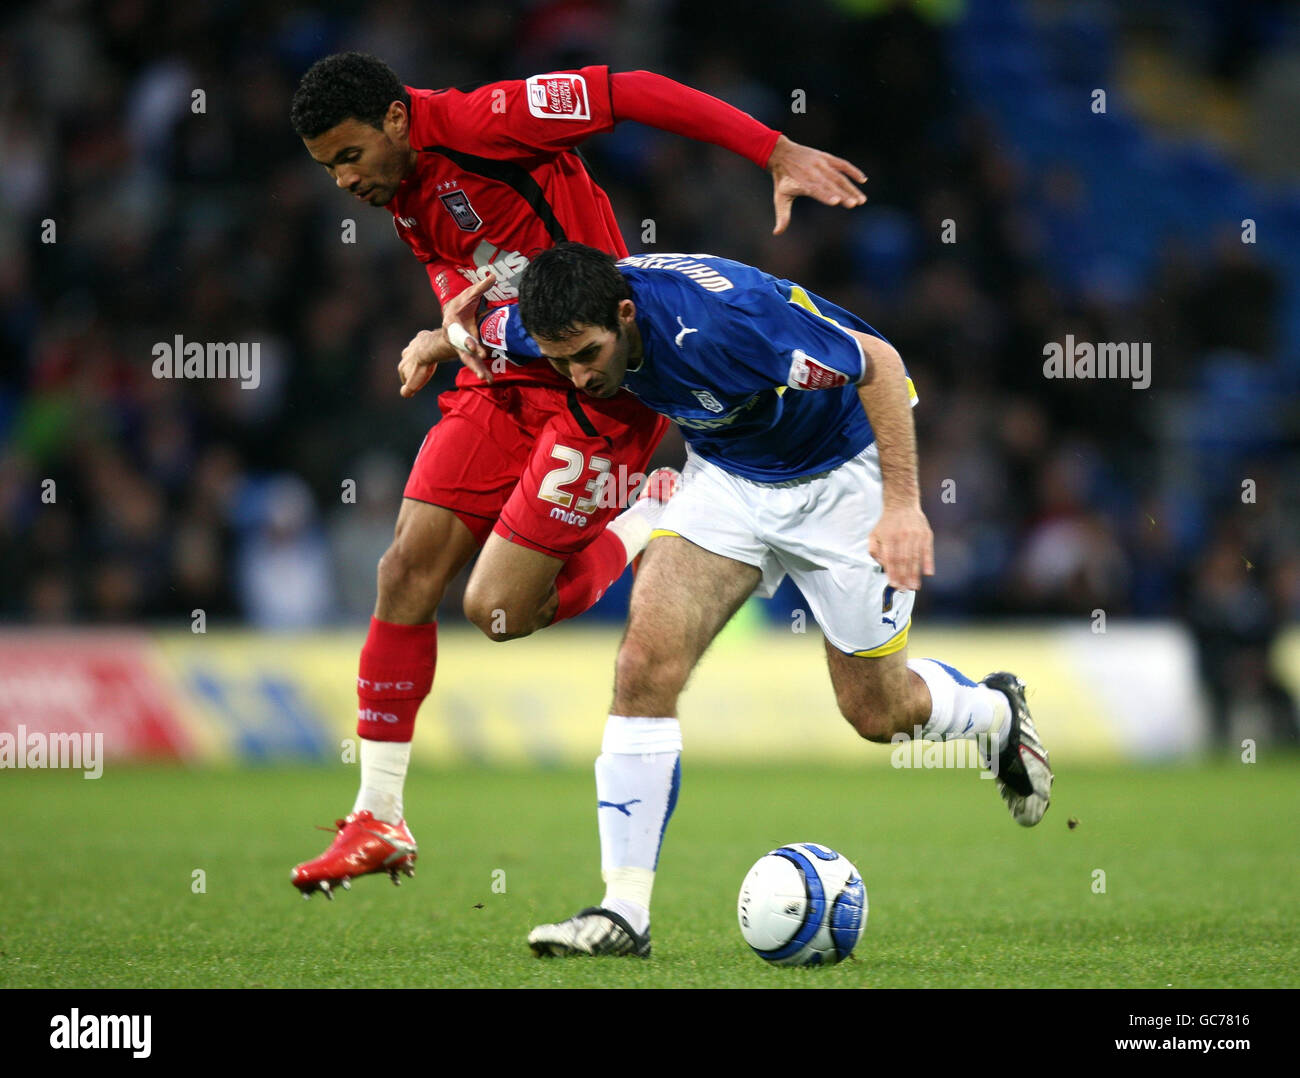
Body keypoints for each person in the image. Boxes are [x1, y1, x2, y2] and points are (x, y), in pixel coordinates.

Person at [287, 53, 869, 898]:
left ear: (397, 121)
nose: (343, 180)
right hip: (501, 376)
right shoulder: (400, 185)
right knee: (404, 571)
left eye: (348, 156)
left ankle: (645, 515)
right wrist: (444, 339)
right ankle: (379, 816)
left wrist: (770, 148)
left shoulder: (489, 121)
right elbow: (480, 275)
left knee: (498, 611)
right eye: (327, 168)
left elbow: (628, 91)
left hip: (597, 387)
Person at [490, 243, 1054, 956]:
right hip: (728, 479)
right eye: (560, 359)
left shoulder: (727, 323)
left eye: (587, 355)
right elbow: (486, 329)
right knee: (642, 669)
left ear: (625, 314)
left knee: (878, 713)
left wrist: (905, 506)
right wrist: (435, 340)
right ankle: (623, 912)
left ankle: (997, 712)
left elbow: (877, 363)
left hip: (844, 479)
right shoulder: (559, 321)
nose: (578, 375)